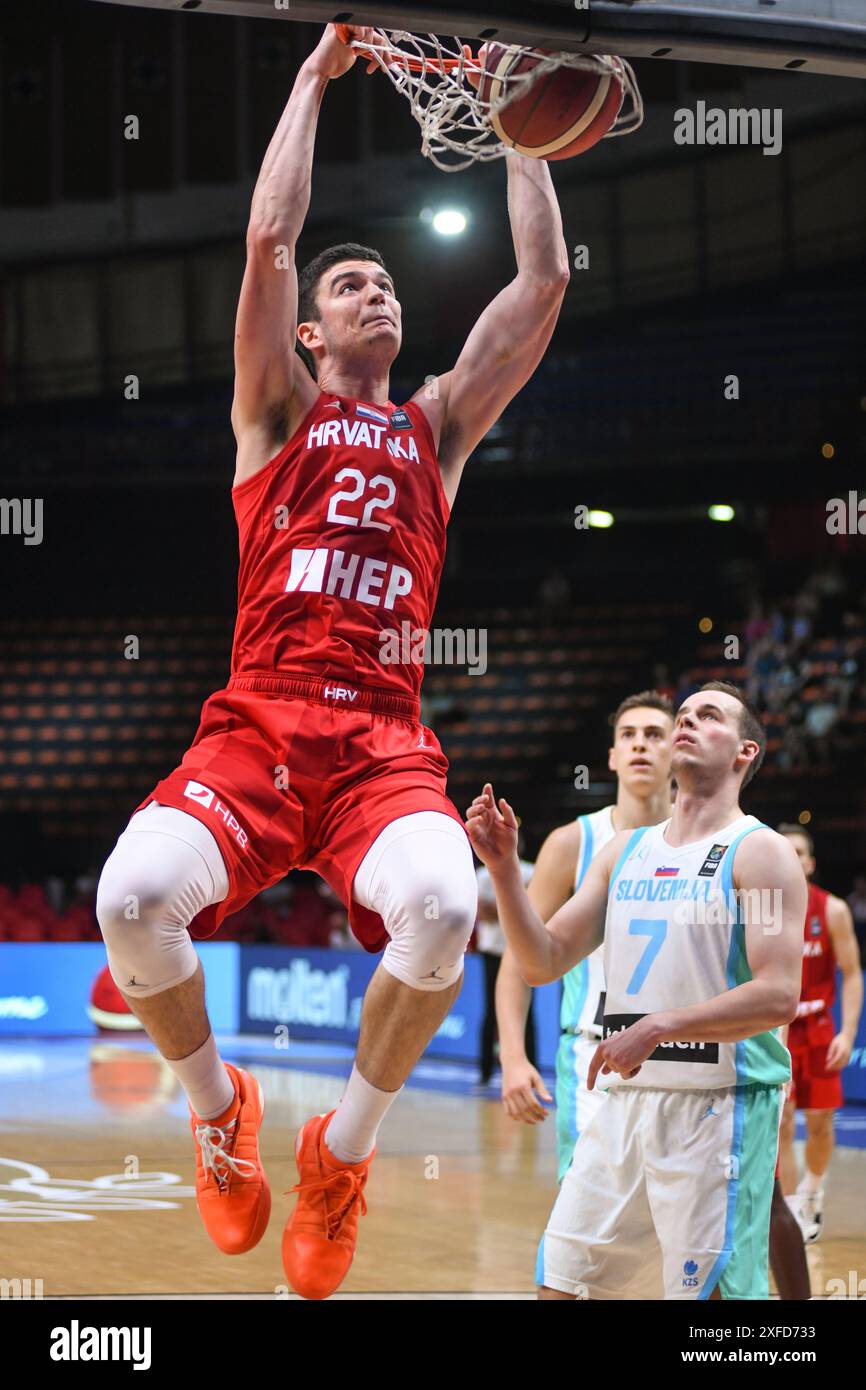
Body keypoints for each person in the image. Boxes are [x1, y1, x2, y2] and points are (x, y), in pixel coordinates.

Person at [94, 21, 571, 1301]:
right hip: (255, 728)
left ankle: (339, 1153)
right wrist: (310, 76)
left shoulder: (436, 426)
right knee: (129, 904)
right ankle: (216, 1111)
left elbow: (536, 294)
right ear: (307, 337)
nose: (377, 295)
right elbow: (265, 241)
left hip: (378, 746)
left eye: (386, 287)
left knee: (443, 907)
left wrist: (521, 138)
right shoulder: (274, 412)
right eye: (349, 289)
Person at [467, 680, 805, 1300]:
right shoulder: (623, 851)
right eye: (683, 714)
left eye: (709, 716)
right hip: (623, 1106)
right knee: (562, 1283)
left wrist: (659, 1025)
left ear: (744, 752)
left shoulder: (761, 852)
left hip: (718, 1106)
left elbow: (779, 994)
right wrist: (503, 871)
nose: (687, 723)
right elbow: (541, 960)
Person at [495, 691, 673, 1181]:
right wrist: (513, 1056)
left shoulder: (712, 840)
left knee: (679, 1241)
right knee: (583, 1241)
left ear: (677, 750)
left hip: (686, 1061)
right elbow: (518, 958)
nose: (641, 745)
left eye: (654, 735)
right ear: (613, 756)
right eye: (628, 736)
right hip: (594, 1060)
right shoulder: (573, 842)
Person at [776, 824, 863, 1243]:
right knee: (781, 1122)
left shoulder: (832, 910)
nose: (792, 858)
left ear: (809, 863)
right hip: (775, 1029)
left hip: (818, 1028)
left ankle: (811, 1192)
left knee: (822, 1124)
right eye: (785, 851)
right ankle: (791, 1207)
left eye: (799, 852)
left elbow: (852, 973)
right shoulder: (759, 909)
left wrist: (847, 1033)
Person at [476, 833, 535, 1086]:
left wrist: (500, 907)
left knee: (527, 1013)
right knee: (491, 1011)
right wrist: (515, 907)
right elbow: (482, 913)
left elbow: (536, 909)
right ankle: (486, 1072)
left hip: (522, 951)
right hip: (493, 952)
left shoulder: (531, 872)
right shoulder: (483, 873)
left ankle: (529, 1069)